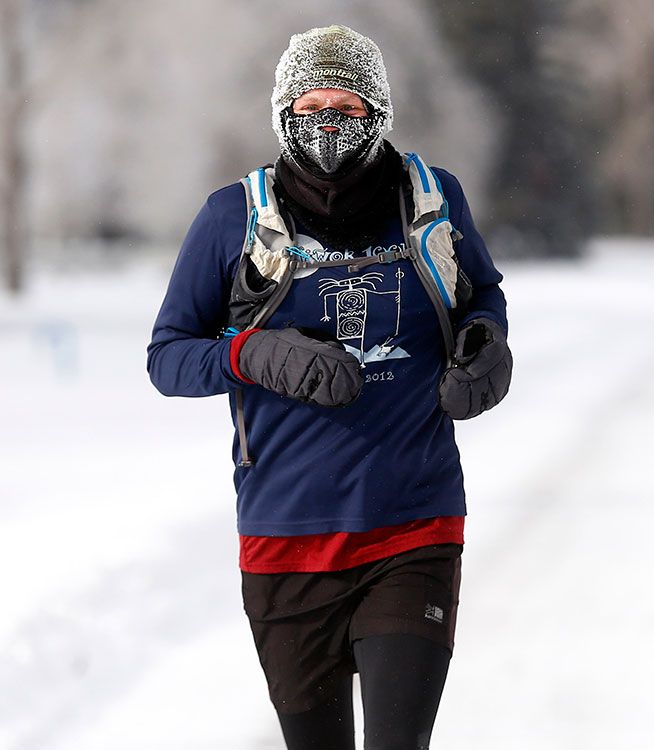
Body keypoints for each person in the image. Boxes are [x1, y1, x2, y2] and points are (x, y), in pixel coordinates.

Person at [146, 24, 512, 750]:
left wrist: (486, 348)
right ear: (284, 113)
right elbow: (168, 357)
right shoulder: (235, 219)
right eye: (310, 106)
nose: (327, 124)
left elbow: (482, 298)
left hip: (414, 523)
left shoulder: (432, 202)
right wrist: (256, 354)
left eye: (345, 108)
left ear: (377, 114)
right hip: (286, 540)